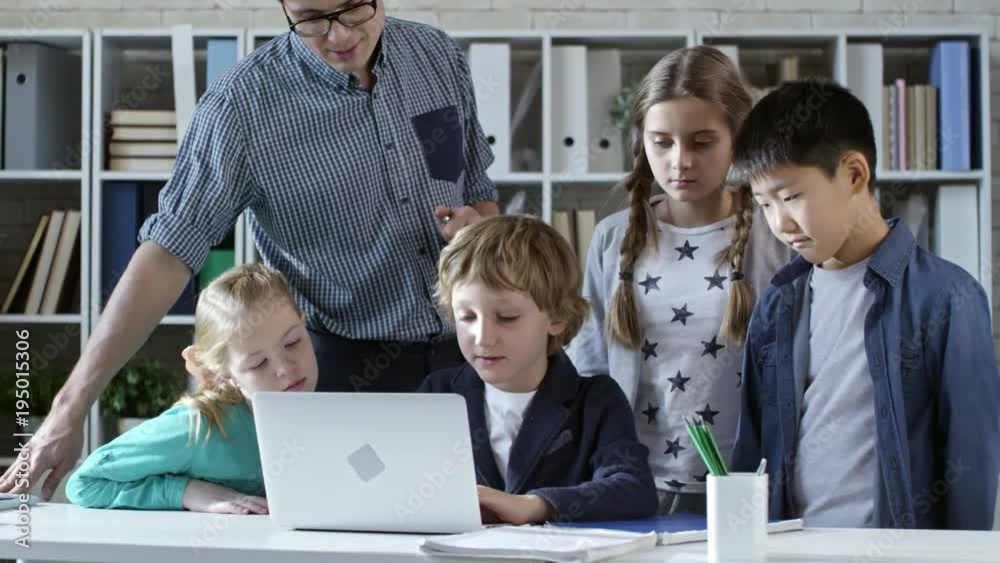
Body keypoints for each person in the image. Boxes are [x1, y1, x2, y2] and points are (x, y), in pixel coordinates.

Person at [4, 0, 498, 500]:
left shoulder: (435, 55)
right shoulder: (243, 105)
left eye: (353, 9)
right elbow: (168, 251)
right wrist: (69, 408)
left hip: (473, 357)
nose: (338, 35)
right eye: (310, 17)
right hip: (344, 376)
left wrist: (479, 229)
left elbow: (476, 187)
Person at [729, 79, 1000, 530]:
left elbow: (971, 461)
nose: (780, 223)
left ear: (855, 174)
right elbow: (753, 449)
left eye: (791, 196)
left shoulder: (950, 298)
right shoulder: (777, 303)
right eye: (764, 204)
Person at [567, 46, 792, 515]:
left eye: (702, 142)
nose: (680, 161)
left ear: (738, 139)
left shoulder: (779, 238)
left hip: (749, 486)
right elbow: (588, 369)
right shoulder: (613, 239)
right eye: (662, 142)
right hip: (634, 486)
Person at [418, 216, 657, 524]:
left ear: (556, 318)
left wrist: (537, 505)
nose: (483, 338)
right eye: (466, 316)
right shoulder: (437, 393)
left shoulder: (597, 401)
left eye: (506, 317)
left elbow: (634, 489)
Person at [66, 264, 318, 513]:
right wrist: (185, 492)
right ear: (223, 374)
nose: (285, 368)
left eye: (293, 342)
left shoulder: (327, 411)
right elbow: (85, 484)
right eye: (258, 363)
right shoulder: (200, 428)